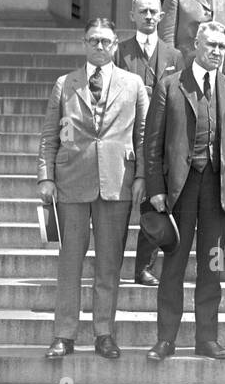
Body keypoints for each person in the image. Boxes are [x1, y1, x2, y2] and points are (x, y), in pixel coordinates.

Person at [37, 18, 148, 360]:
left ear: (116, 46)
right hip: (71, 182)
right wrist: (45, 176)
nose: (100, 47)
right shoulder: (65, 84)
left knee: (109, 265)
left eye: (106, 42)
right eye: (93, 41)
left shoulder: (134, 83)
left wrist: (142, 175)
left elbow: (143, 135)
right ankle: (64, 334)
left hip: (117, 183)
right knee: (70, 262)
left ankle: (104, 333)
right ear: (84, 44)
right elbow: (50, 135)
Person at [145, 22, 225, 361]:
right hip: (180, 189)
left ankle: (207, 338)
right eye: (211, 45)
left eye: (222, 46)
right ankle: (166, 339)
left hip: (218, 191)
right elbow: (153, 143)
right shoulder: (170, 85)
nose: (217, 51)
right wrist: (156, 189)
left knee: (213, 265)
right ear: (196, 44)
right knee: (173, 266)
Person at [116, 0, 182, 286]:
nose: (148, 16)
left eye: (153, 12)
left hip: (160, 138)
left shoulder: (174, 55)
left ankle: (144, 266)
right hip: (126, 137)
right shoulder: (120, 51)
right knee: (117, 207)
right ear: (132, 15)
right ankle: (111, 266)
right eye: (142, 11)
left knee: (153, 205)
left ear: (161, 16)